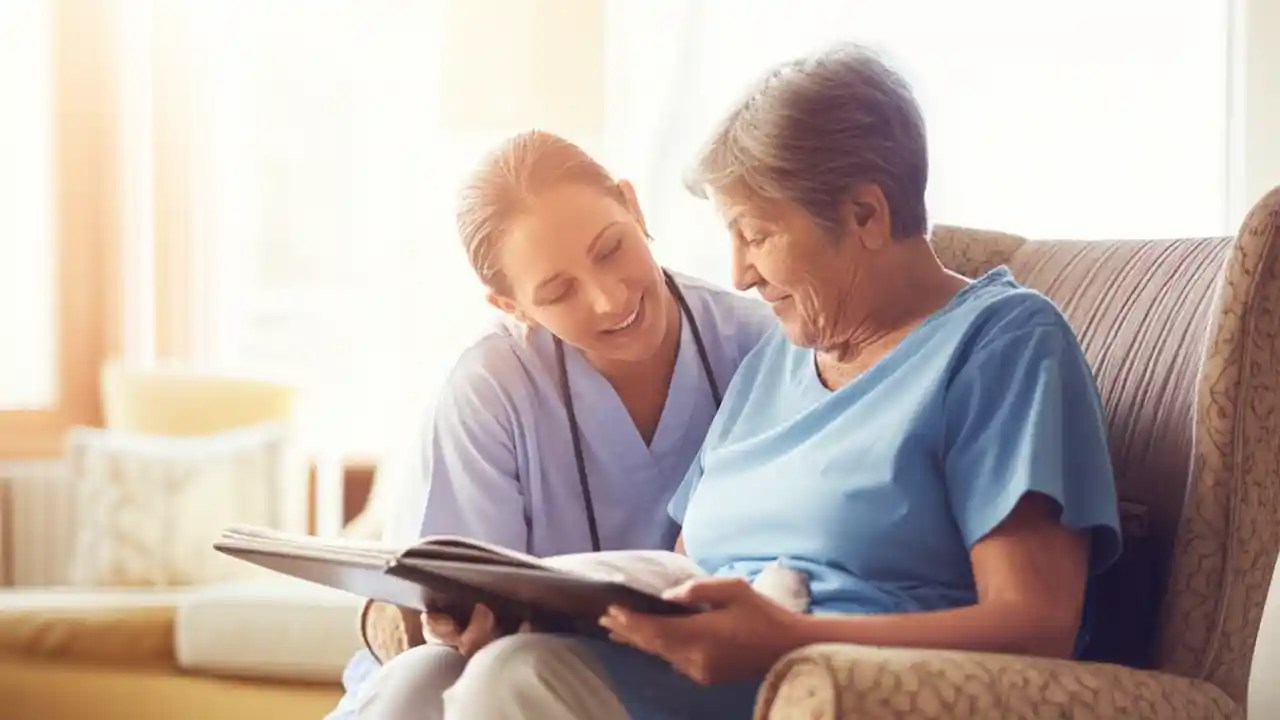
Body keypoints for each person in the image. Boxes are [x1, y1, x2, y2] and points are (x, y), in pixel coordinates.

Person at [439, 43, 1123, 719]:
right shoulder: (776, 359)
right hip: (685, 684)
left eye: (757, 235)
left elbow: (1037, 626)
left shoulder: (1001, 343)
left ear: (865, 216)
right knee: (448, 678)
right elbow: (685, 563)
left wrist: (790, 641)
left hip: (840, 689)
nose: (738, 274)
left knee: (509, 682)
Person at [324, 131, 776, 718]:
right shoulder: (491, 386)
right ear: (512, 307)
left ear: (633, 206)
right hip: (509, 674)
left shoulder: (762, 344)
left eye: (611, 249)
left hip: (691, 674)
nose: (609, 300)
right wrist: (462, 625)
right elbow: (442, 598)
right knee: (427, 676)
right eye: (559, 291)